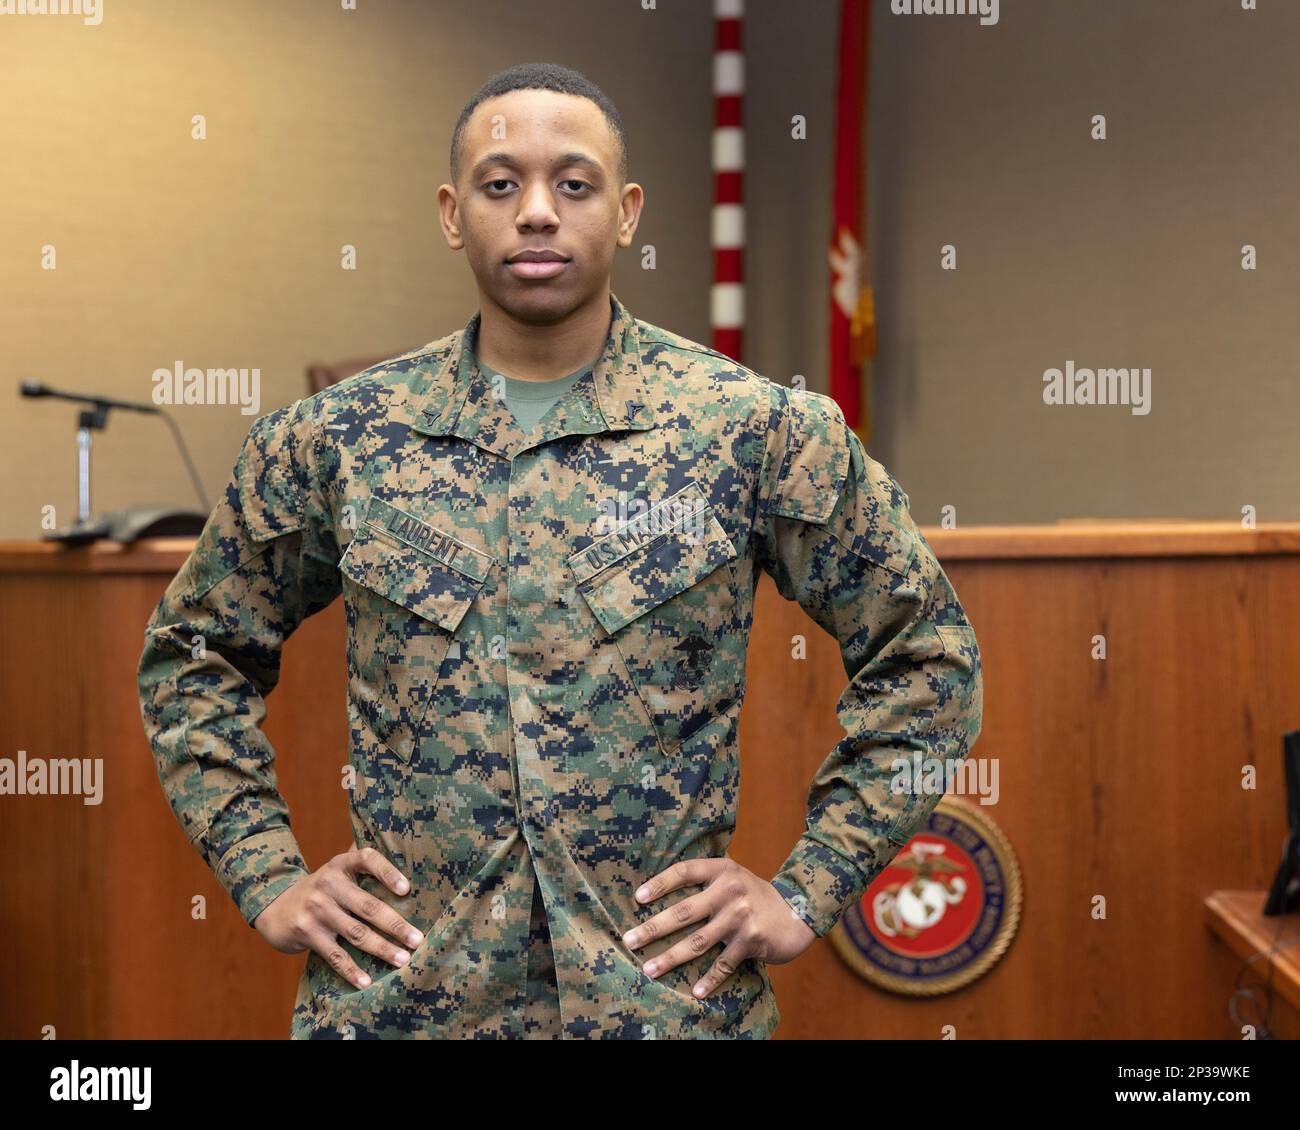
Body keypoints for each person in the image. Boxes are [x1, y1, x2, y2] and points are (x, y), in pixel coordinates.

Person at [136, 61, 983, 1040]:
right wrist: (267, 873)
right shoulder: (337, 441)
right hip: (408, 1008)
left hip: (664, 1008)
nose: (536, 211)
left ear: (625, 212)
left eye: (572, 184)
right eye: (501, 185)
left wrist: (807, 886)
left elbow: (929, 660)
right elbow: (193, 655)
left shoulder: (753, 431)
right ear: (453, 214)